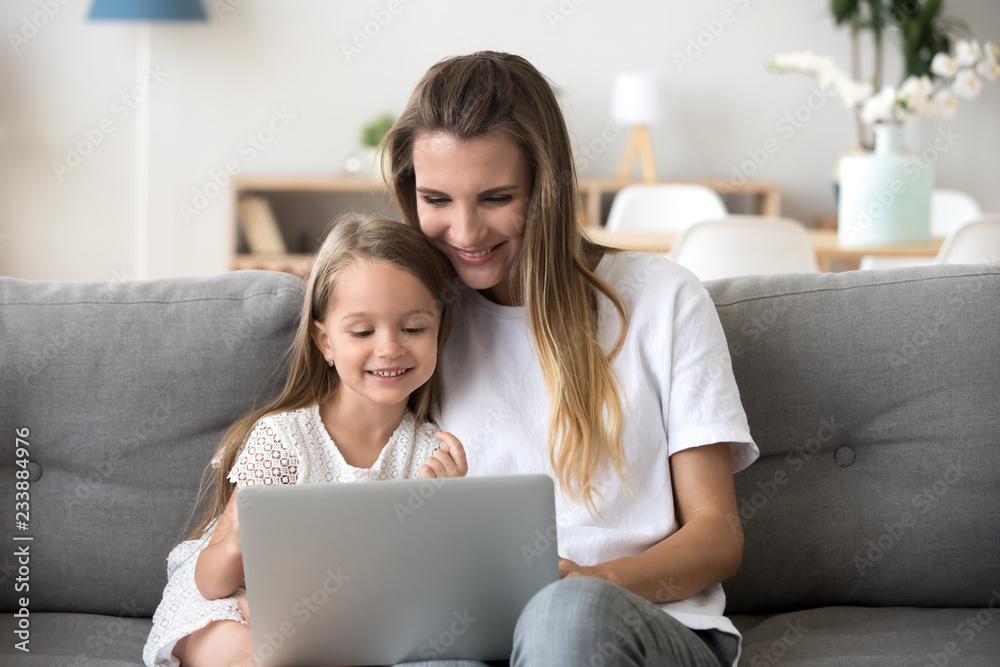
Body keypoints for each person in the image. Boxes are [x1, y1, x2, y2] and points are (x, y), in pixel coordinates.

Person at [383, 51, 759, 667]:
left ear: (547, 187)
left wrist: (594, 580)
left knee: (564, 615)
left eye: (497, 197)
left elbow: (718, 536)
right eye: (437, 199)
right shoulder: (415, 326)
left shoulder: (665, 299)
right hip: (478, 635)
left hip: (640, 623)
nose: (466, 232)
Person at [142, 215, 469, 667]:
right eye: (362, 332)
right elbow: (210, 583)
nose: (390, 348)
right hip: (232, 602)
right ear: (326, 342)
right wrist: (238, 538)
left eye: (413, 328)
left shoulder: (432, 453)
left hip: (344, 617)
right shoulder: (284, 439)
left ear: (439, 330)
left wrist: (451, 509)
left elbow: (426, 587)